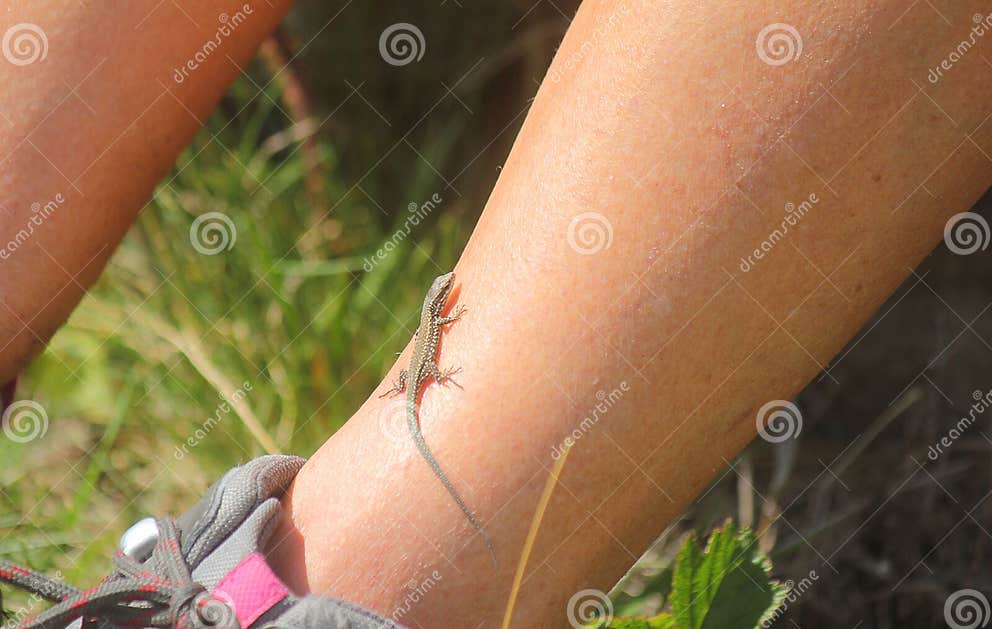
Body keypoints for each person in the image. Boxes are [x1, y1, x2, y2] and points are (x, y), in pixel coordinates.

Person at [1, 1, 990, 626]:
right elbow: (439, 333)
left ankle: (352, 591)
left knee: (419, 472)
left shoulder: (438, 331)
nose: (437, 301)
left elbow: (440, 338)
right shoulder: (437, 326)